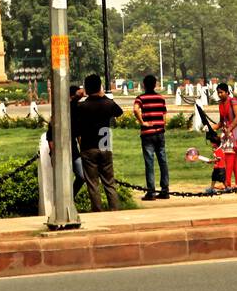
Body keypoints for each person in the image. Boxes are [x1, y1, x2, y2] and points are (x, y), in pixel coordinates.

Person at [72, 74, 123, 211]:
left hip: (88, 146)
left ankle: (98, 211)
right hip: (104, 144)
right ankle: (114, 211)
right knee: (109, 183)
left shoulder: (81, 106)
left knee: (93, 184)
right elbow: (119, 111)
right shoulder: (107, 104)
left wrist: (77, 97)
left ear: (86, 89)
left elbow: (70, 110)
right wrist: (104, 95)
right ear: (100, 86)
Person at [45, 81, 86, 197]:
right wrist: (53, 151)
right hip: (59, 151)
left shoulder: (74, 110)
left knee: (82, 176)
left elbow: (78, 133)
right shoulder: (59, 111)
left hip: (73, 150)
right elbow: (50, 134)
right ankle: (61, 202)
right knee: (61, 180)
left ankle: (69, 198)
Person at [133, 74, 170, 200]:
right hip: (160, 133)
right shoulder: (160, 98)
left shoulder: (141, 98)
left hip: (148, 134)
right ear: (155, 85)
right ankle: (165, 190)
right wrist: (161, 124)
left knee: (149, 163)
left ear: (144, 85)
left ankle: (151, 192)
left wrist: (142, 122)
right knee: (163, 161)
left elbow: (135, 109)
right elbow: (164, 116)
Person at [216, 82, 237, 189]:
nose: (219, 95)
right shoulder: (220, 104)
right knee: (234, 159)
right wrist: (209, 127)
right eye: (218, 93)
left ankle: (226, 183)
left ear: (227, 92)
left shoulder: (233, 101)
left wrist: (229, 128)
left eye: (221, 92)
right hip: (226, 135)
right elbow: (220, 122)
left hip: (234, 133)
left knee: (228, 159)